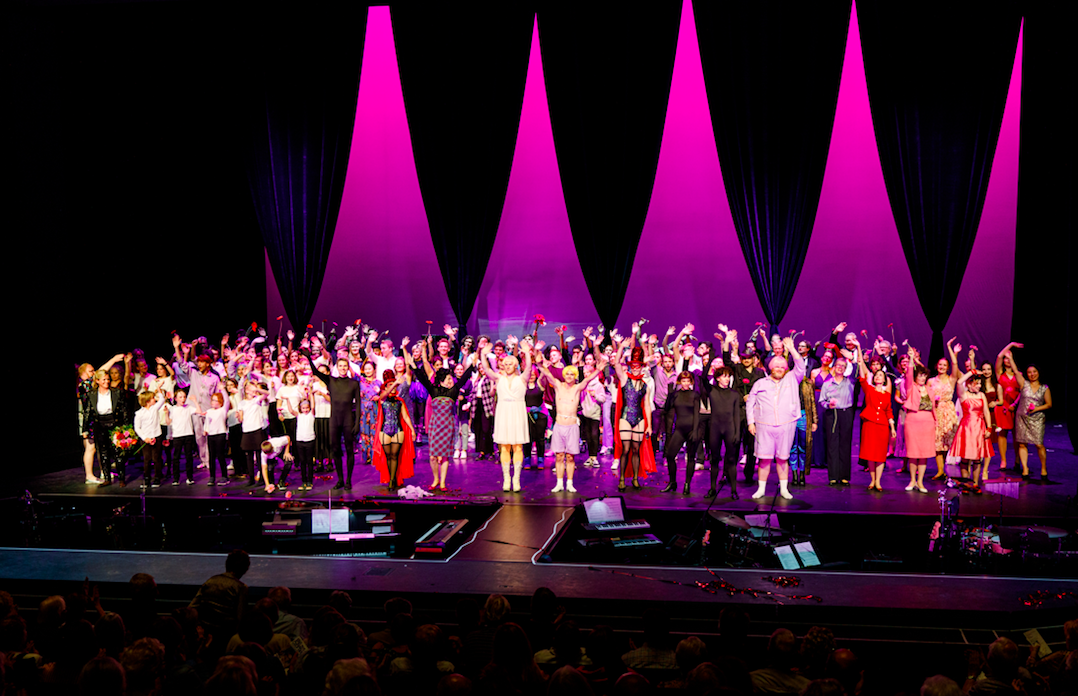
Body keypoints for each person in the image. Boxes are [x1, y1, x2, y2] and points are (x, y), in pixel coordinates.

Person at [745, 336, 805, 500]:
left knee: (782, 458)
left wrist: (791, 349)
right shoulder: (760, 383)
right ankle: (761, 489)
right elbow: (750, 403)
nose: (779, 369)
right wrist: (751, 422)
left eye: (782, 367)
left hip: (786, 425)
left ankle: (784, 489)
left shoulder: (792, 378)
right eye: (776, 366)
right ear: (771, 368)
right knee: (764, 459)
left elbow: (800, 366)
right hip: (764, 426)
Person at [539, 358, 607, 493]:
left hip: (572, 426)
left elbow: (587, 380)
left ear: (575, 376)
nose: (569, 376)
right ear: (564, 375)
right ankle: (559, 483)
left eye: (572, 374)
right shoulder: (558, 386)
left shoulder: (577, 388)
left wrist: (598, 370)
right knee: (559, 456)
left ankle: (569, 483)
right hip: (559, 425)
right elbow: (547, 374)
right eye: (567, 374)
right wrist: (539, 363)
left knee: (570, 457)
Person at [412, 342, 474, 490]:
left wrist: (474, 360)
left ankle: (443, 482)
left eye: (451, 379)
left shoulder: (453, 391)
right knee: (433, 456)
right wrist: (412, 364)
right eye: (448, 379)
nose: (451, 380)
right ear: (441, 380)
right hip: (435, 426)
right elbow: (422, 377)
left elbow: (465, 376)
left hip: (447, 426)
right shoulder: (433, 390)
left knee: (444, 456)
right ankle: (435, 480)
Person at [477, 342, 532, 492]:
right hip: (503, 412)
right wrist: (483, 354)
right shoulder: (498, 378)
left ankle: (516, 478)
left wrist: (527, 353)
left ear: (515, 365)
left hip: (517, 411)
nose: (507, 366)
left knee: (518, 446)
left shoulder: (522, 379)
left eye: (510, 364)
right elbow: (487, 369)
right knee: (505, 447)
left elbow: (528, 367)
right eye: (505, 364)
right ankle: (507, 477)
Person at [304, 353, 362, 490]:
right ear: (337, 367)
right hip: (334, 420)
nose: (343, 368)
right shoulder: (331, 381)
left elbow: (358, 404)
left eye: (345, 366)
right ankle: (340, 479)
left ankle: (348, 480)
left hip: (348, 420)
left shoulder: (354, 383)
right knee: (335, 450)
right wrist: (309, 358)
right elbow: (316, 372)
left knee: (349, 450)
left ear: (348, 367)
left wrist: (357, 423)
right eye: (340, 366)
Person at [613, 345, 657, 491]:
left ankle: (636, 479)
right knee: (626, 449)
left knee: (636, 449)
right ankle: (621, 479)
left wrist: (649, 426)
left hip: (639, 419)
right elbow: (617, 364)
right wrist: (620, 347)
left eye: (638, 366)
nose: (636, 369)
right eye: (633, 366)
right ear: (630, 367)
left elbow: (647, 406)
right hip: (625, 418)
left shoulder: (646, 386)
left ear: (642, 367)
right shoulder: (625, 379)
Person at [189, 549, 250, 645]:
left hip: (206, 636)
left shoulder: (210, 581)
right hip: (225, 638)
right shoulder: (241, 588)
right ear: (245, 569)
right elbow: (240, 619)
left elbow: (192, 608)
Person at [83, 369, 132, 487]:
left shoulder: (116, 392)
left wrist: (126, 428)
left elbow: (124, 410)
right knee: (103, 453)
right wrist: (85, 429)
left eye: (108, 379)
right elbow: (87, 412)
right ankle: (106, 478)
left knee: (118, 452)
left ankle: (121, 479)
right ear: (98, 381)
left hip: (114, 423)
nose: (106, 382)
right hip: (100, 424)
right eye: (104, 380)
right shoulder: (92, 394)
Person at [1009, 350, 1053, 480]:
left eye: (1034, 372)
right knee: (1022, 443)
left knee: (1039, 444)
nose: (1032, 374)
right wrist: (1010, 358)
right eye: (1029, 372)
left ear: (1038, 372)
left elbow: (1049, 404)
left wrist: (1036, 408)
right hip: (1022, 418)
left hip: (1037, 419)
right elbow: (1016, 371)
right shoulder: (1024, 384)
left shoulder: (1044, 388)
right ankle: (1025, 469)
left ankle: (1043, 468)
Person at [857, 346, 896, 492]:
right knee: (870, 454)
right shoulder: (869, 389)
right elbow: (862, 372)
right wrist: (859, 349)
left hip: (882, 426)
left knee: (880, 455)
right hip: (870, 425)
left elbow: (889, 411)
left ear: (885, 379)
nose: (878, 377)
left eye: (881, 375)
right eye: (876, 375)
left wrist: (892, 428)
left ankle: (878, 481)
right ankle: (872, 480)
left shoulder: (887, 394)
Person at [372, 370, 417, 490]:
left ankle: (392, 480)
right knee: (388, 456)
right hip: (384, 431)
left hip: (398, 430)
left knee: (395, 456)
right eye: (390, 386)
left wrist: (412, 430)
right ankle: (391, 478)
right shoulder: (382, 399)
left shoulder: (400, 401)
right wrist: (395, 382)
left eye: (394, 386)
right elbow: (384, 394)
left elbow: (406, 417)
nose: (393, 388)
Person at [949, 367, 992, 489]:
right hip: (967, 428)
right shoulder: (964, 395)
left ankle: (975, 483)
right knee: (965, 458)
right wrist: (972, 372)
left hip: (979, 428)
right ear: (969, 384)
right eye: (976, 383)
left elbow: (986, 412)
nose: (979, 386)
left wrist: (989, 428)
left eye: (980, 384)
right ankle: (966, 483)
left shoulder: (981, 395)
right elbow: (959, 382)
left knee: (977, 458)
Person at [818, 352, 857, 486]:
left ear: (846, 368)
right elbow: (822, 401)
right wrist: (828, 405)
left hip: (846, 413)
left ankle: (844, 476)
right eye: (838, 365)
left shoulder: (850, 382)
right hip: (832, 414)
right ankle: (833, 476)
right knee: (832, 445)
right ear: (834, 367)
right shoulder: (827, 384)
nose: (840, 367)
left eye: (843, 366)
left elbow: (857, 370)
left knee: (845, 444)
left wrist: (853, 358)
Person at [660, 371, 701, 495]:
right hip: (679, 429)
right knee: (670, 455)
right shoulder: (676, 394)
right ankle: (672, 482)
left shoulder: (695, 395)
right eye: (683, 381)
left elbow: (697, 414)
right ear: (680, 382)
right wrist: (669, 394)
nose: (686, 383)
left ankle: (687, 484)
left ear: (691, 382)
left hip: (691, 429)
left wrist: (695, 431)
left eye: (688, 381)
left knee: (691, 458)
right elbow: (667, 409)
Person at [902, 347, 936, 493]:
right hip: (913, 422)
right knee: (913, 453)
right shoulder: (911, 388)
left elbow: (933, 408)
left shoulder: (930, 390)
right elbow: (909, 373)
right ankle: (912, 480)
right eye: (920, 376)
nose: (922, 378)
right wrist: (911, 358)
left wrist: (935, 422)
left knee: (924, 454)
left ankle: (920, 482)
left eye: (924, 376)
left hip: (927, 423)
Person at [928, 337, 962, 480]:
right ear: (937, 366)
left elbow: (955, 363)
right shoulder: (930, 381)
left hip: (948, 411)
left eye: (944, 365)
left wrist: (951, 349)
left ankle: (948, 468)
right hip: (936, 412)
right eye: (940, 365)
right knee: (937, 443)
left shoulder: (951, 379)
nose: (942, 367)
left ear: (947, 367)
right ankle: (940, 470)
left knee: (948, 441)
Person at [993, 341, 1023, 471]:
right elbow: (999, 356)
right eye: (1006, 358)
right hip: (1004, 405)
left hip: (1016, 405)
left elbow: (1023, 390)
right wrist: (1011, 345)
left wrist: (1015, 404)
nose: (1007, 360)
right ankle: (1003, 460)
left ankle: (1017, 459)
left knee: (1017, 434)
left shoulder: (1019, 374)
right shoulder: (1000, 373)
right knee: (1002, 433)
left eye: (1009, 357)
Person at [133, 390, 168, 489]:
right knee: (147, 459)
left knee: (157, 458)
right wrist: (145, 438)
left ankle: (157, 477)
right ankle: (147, 478)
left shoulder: (154, 408)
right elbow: (137, 428)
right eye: (153, 398)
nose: (155, 399)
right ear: (148, 401)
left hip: (156, 436)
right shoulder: (139, 413)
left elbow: (162, 399)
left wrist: (159, 389)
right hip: (146, 439)